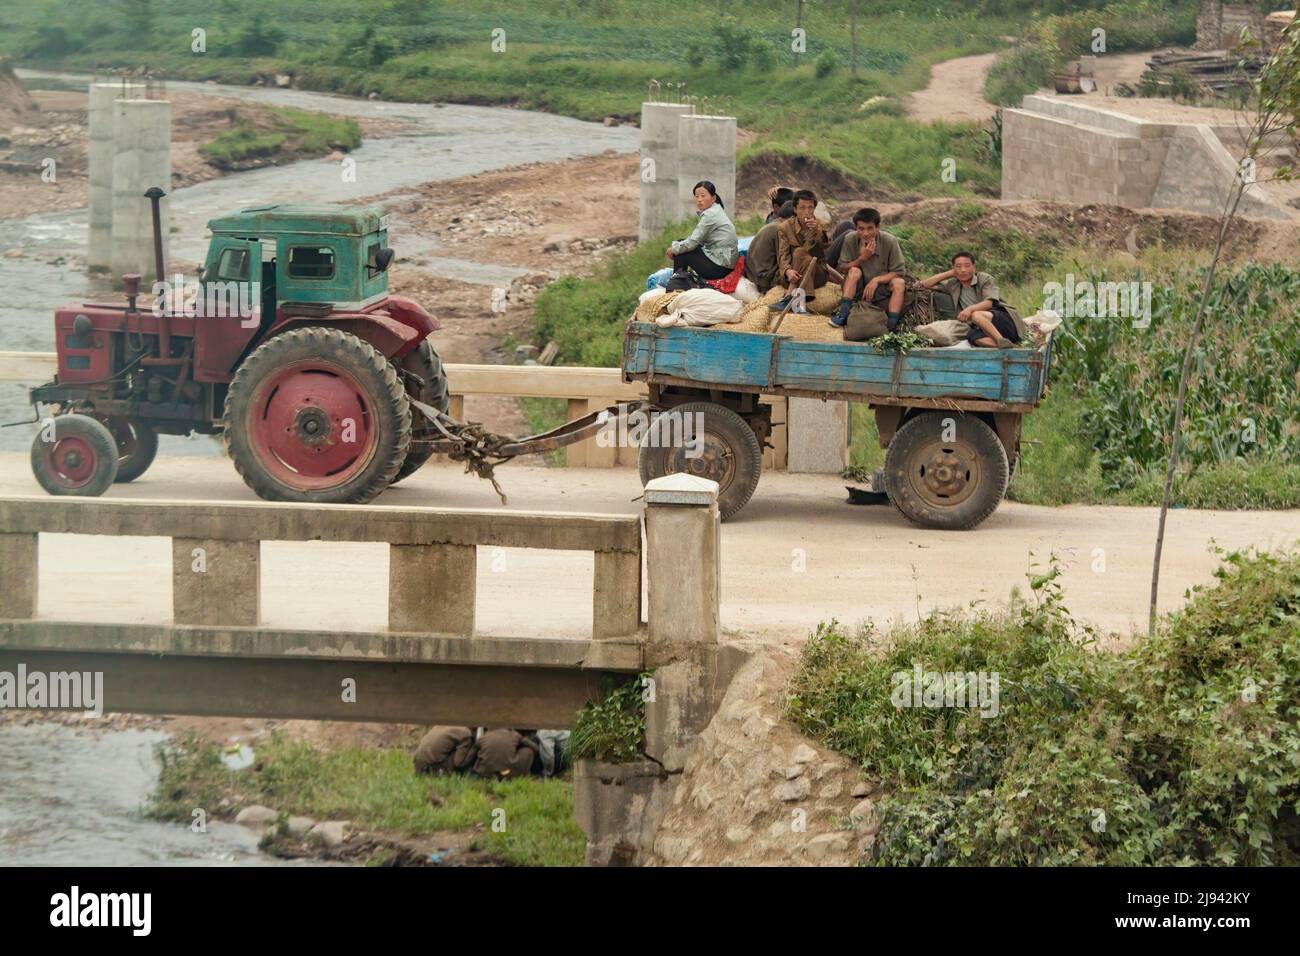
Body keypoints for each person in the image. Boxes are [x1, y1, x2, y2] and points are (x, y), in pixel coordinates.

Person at [920, 251, 1021, 348]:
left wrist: (970, 309)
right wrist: (950, 273)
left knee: (975, 314)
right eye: (958, 266)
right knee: (973, 337)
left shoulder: (984, 278)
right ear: (953, 268)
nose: (963, 270)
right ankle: (1008, 346)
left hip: (1001, 321)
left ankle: (1000, 340)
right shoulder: (953, 285)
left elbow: (989, 303)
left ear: (974, 267)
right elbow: (924, 285)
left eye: (967, 266)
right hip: (982, 328)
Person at [829, 208, 906, 330]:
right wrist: (862, 259)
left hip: (881, 290)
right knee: (854, 271)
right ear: (856, 228)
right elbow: (843, 267)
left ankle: (892, 324)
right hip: (857, 289)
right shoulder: (850, 239)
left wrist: (877, 280)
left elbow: (898, 272)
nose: (865, 233)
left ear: (878, 227)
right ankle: (842, 314)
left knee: (899, 283)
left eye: (870, 228)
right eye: (861, 228)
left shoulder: (889, 241)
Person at [768, 189, 829, 313]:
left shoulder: (819, 225)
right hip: (791, 276)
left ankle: (791, 294)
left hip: (816, 274)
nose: (806, 212)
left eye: (810, 208)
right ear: (795, 210)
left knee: (800, 252)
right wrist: (787, 271)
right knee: (798, 253)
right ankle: (799, 305)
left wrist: (817, 232)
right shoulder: (785, 227)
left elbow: (826, 246)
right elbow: (783, 255)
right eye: (802, 208)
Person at [666, 180, 738, 281]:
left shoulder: (710, 215)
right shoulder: (715, 210)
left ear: (713, 198)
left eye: (703, 196)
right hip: (723, 263)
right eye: (697, 196)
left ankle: (677, 284)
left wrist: (673, 249)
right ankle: (680, 281)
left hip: (720, 267)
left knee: (681, 250)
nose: (699, 200)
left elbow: (692, 242)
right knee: (681, 245)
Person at [744, 200, 795, 294]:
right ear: (792, 218)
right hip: (762, 278)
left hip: (754, 272)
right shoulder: (781, 229)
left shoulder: (775, 224)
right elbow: (784, 259)